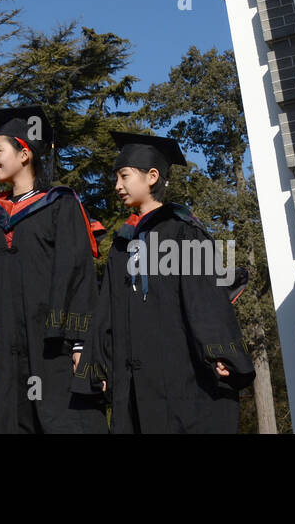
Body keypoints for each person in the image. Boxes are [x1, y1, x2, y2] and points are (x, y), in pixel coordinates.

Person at [73, 131, 255, 433]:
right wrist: (98, 365)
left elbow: (206, 302)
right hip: (133, 382)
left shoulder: (184, 233)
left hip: (183, 374)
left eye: (124, 176)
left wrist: (222, 353)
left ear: (152, 176)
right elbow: (106, 310)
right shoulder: (122, 244)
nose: (117, 186)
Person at [0, 106, 106, 433]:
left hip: (53, 346)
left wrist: (80, 343)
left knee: (63, 420)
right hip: (8, 348)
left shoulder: (60, 205)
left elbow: (77, 273)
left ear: (25, 154)